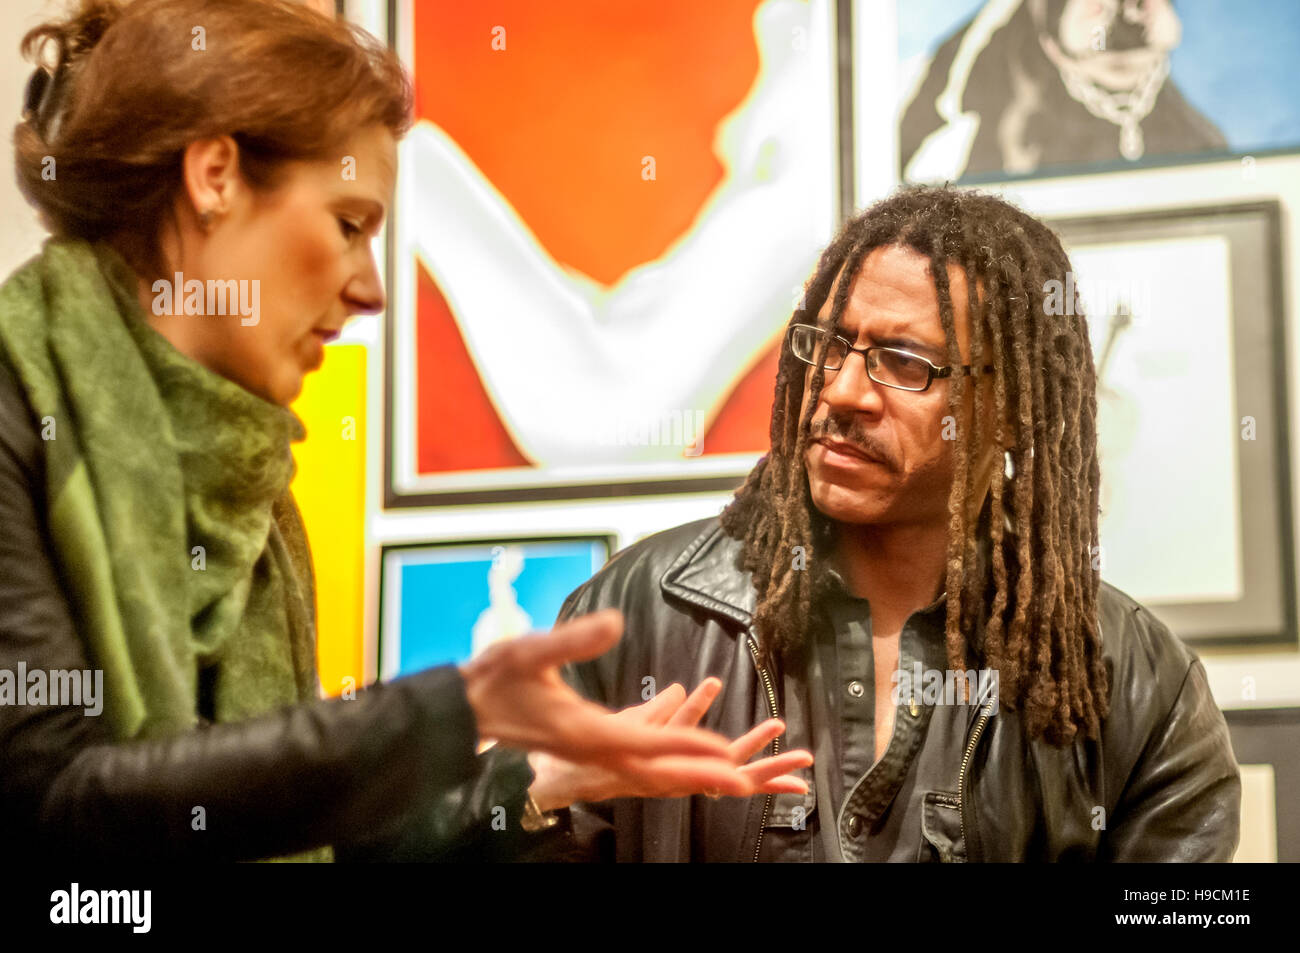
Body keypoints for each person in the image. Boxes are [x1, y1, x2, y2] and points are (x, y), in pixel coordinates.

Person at [0, 0, 809, 862]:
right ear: (215, 179)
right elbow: (56, 802)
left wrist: (538, 782)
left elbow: (299, 832)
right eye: (349, 225)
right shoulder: (19, 418)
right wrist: (444, 710)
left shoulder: (247, 485)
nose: (371, 289)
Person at [522, 185, 1242, 861]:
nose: (840, 390)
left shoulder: (1141, 686)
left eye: (904, 362)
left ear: (1016, 409)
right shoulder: (638, 616)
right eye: (830, 345)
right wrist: (526, 805)